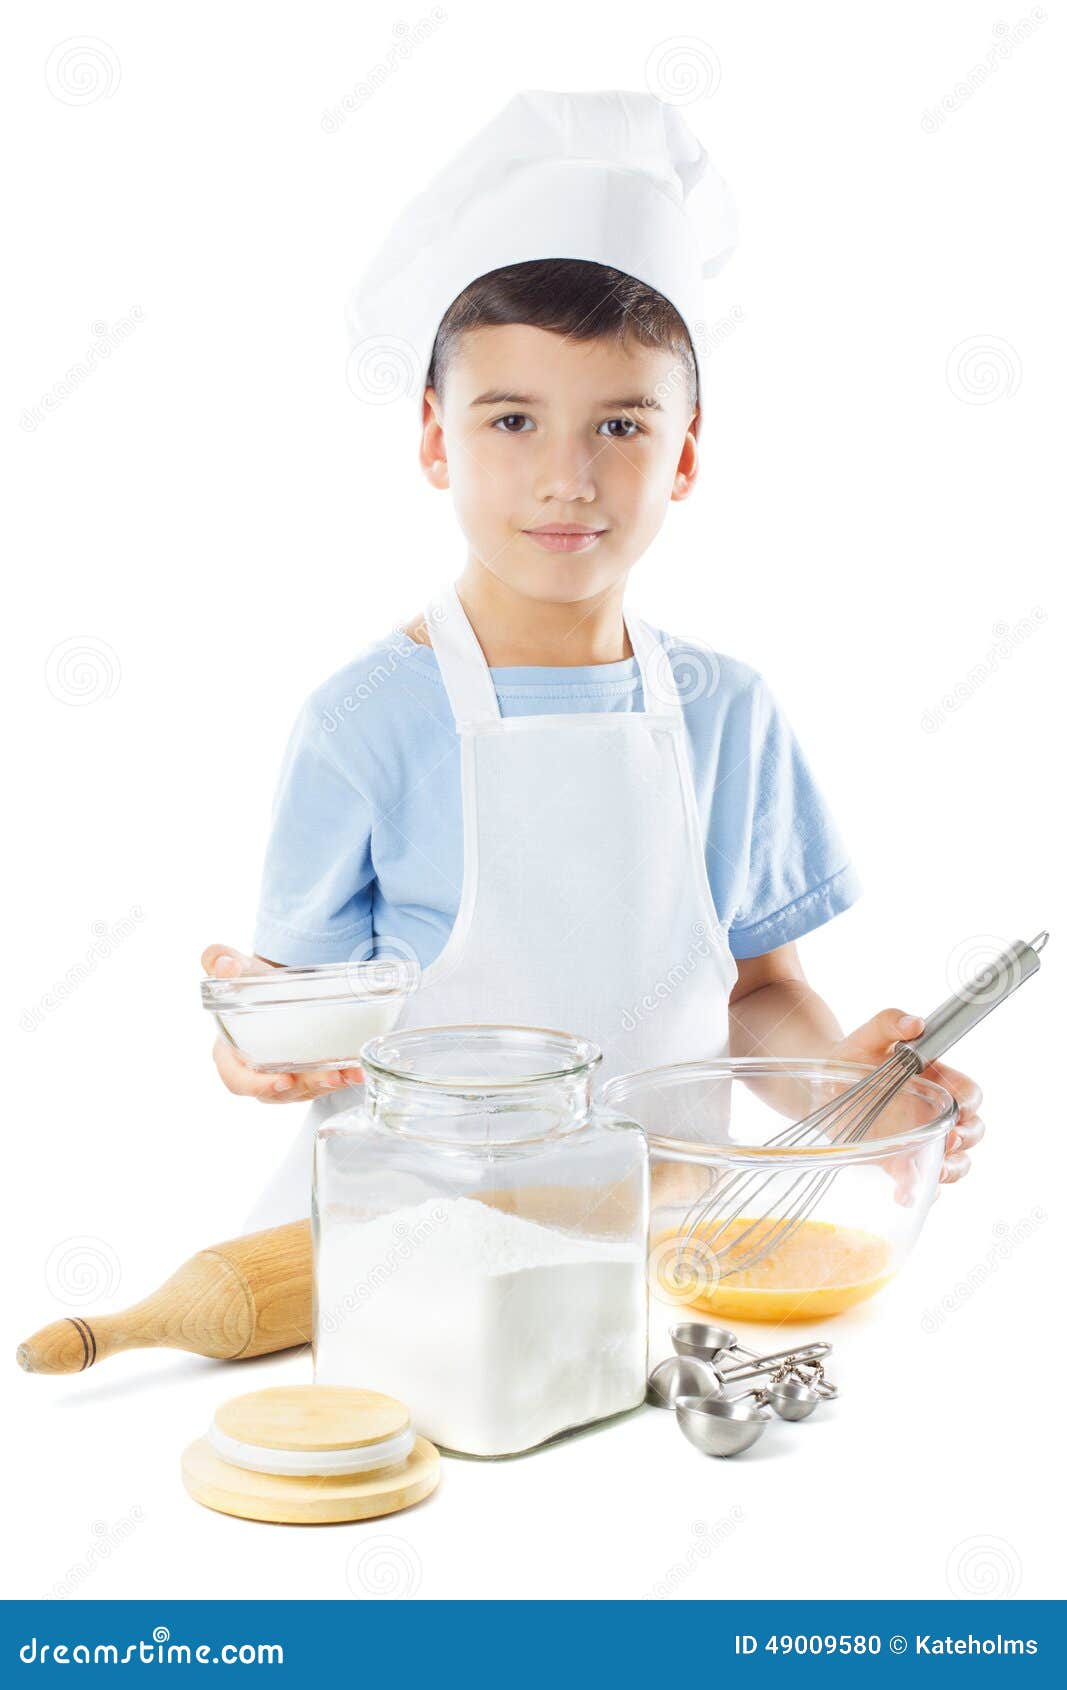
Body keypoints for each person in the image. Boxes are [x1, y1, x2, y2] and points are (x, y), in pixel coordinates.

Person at [202, 91, 983, 1231]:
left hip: (667, 1257)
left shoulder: (728, 713)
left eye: (619, 425)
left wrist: (846, 1092)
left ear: (684, 453)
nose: (565, 477)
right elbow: (289, 1023)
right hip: (418, 1256)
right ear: (433, 435)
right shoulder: (362, 721)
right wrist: (252, 1045)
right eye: (511, 420)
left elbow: (759, 991)